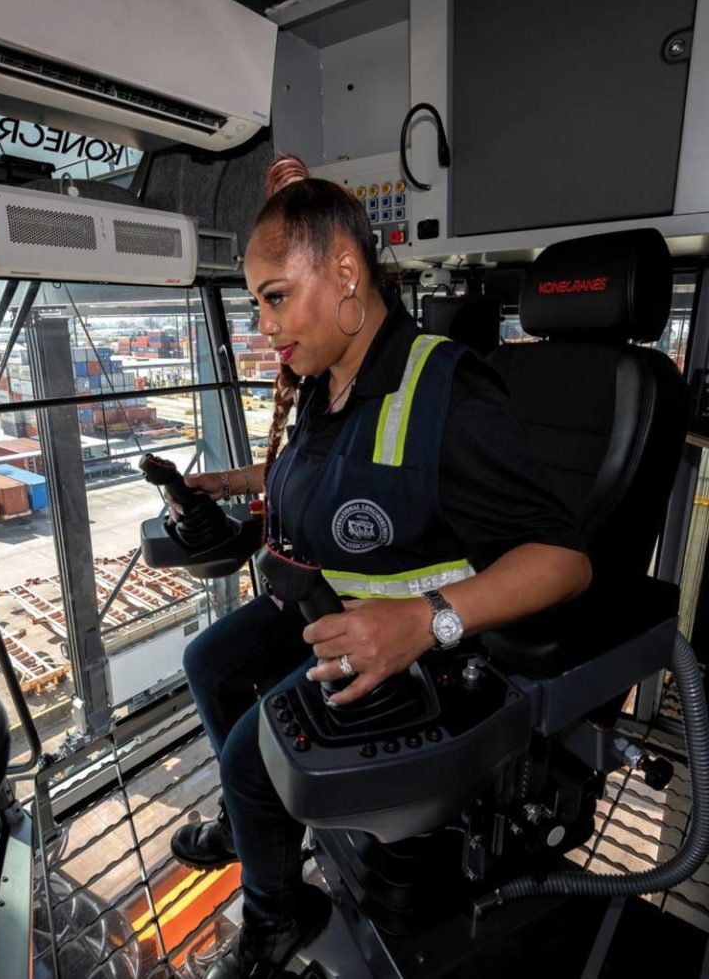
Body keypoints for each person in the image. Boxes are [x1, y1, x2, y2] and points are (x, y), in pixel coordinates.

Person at [169, 158, 592, 979]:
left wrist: (424, 620)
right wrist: (227, 483)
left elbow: (567, 561)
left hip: (425, 643)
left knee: (249, 758)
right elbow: (333, 475)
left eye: (275, 298)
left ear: (345, 273)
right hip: (327, 601)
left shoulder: (449, 392)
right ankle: (256, 824)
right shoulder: (329, 381)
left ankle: (275, 915)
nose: (264, 327)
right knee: (208, 663)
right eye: (256, 303)